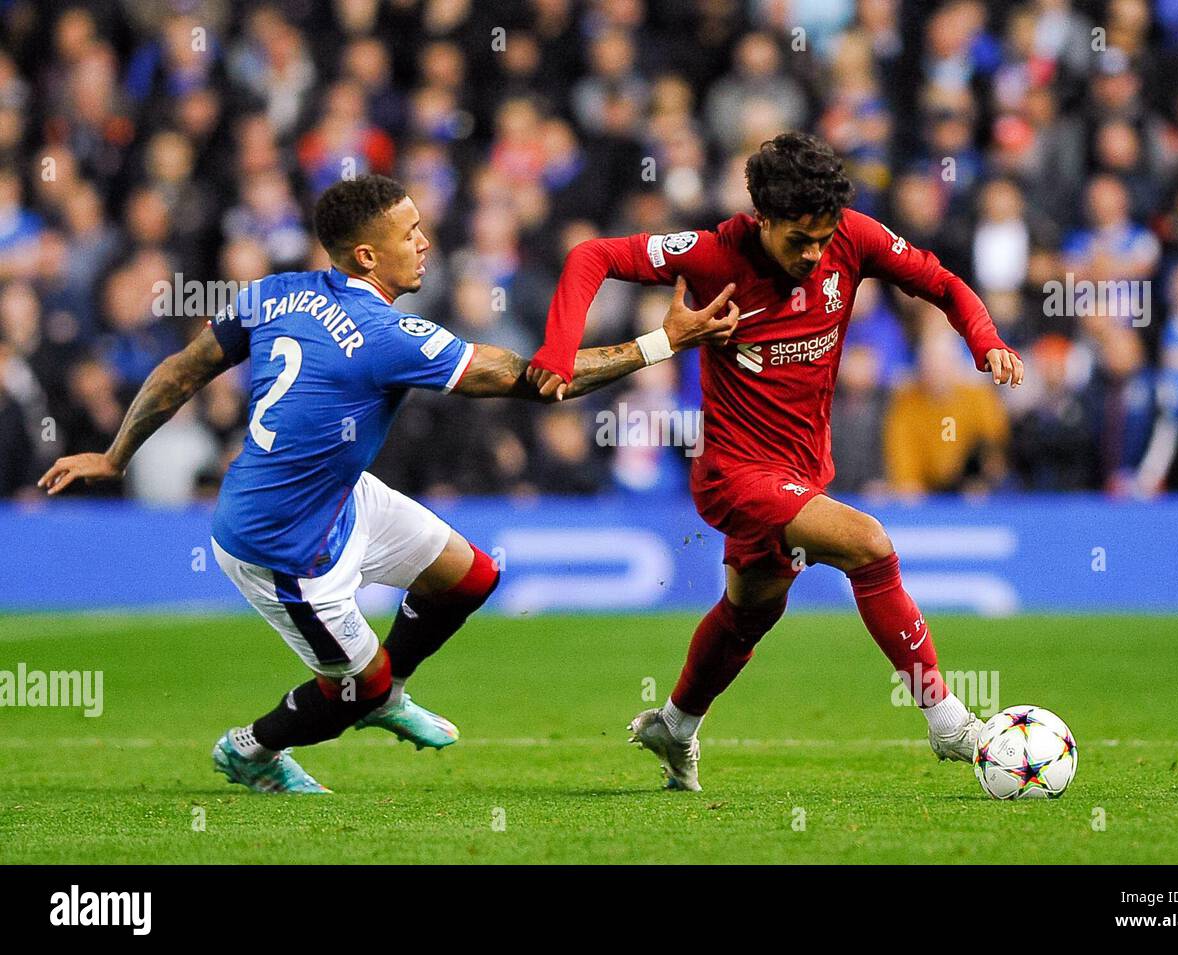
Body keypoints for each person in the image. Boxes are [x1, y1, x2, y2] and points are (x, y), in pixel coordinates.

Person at [38, 174, 738, 794]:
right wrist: (662, 342)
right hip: (280, 545)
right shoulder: (387, 334)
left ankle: (384, 689)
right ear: (367, 256)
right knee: (353, 686)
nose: (425, 242)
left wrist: (114, 455)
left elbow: (180, 370)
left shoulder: (275, 292)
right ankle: (254, 748)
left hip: (341, 495)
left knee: (469, 576)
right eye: (410, 232)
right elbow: (534, 381)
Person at [529, 133, 1023, 791]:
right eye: (800, 240)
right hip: (733, 470)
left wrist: (984, 341)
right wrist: (560, 350)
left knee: (751, 610)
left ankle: (674, 726)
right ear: (762, 218)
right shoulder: (710, 254)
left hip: (802, 467)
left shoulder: (854, 237)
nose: (816, 254)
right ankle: (949, 720)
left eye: (824, 239)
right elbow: (592, 255)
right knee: (869, 545)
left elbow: (943, 283)